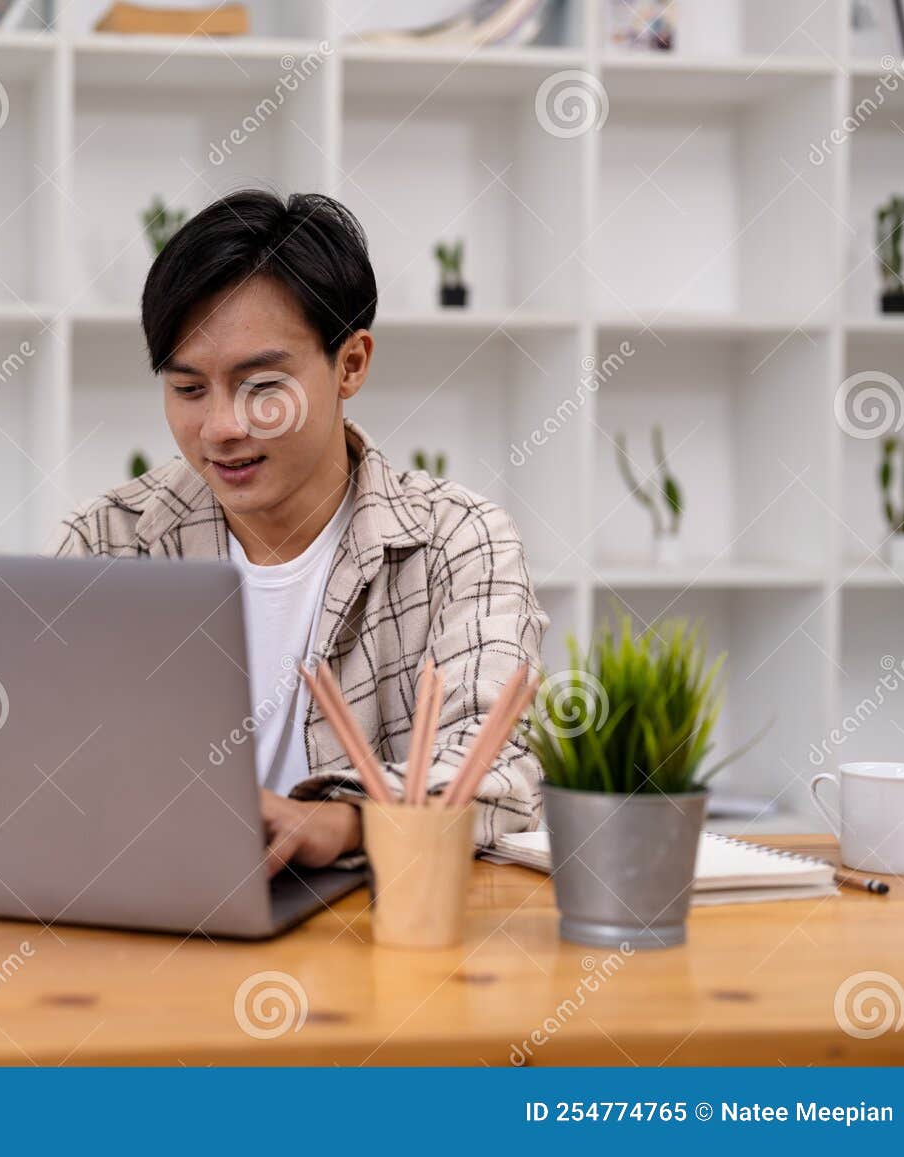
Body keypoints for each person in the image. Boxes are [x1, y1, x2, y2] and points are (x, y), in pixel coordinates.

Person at [47, 189, 548, 876]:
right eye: (189, 390)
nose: (221, 427)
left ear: (351, 364)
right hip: (150, 922)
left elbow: (502, 774)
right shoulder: (110, 542)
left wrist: (342, 823)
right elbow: (41, 776)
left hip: (377, 935)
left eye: (262, 386)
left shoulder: (457, 542)